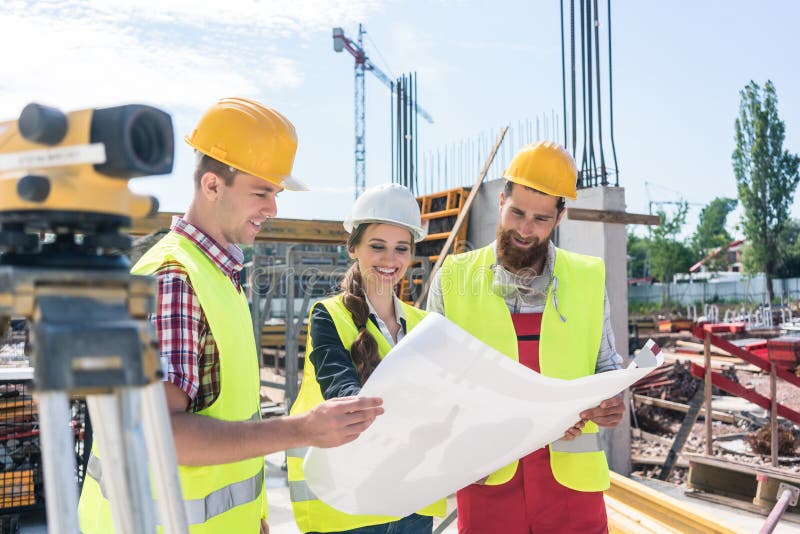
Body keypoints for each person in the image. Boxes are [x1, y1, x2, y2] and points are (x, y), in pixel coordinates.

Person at [78, 97, 384, 534]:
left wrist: (253, 513)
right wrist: (302, 430)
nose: (273, 208)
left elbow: (229, 415)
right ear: (212, 185)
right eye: (261, 192)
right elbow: (161, 433)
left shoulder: (219, 275)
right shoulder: (173, 279)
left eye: (275, 193)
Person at [426, 141, 625, 533]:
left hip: (571, 488)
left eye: (540, 219)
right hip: (488, 478)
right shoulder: (453, 278)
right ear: (501, 200)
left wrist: (610, 404)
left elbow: (607, 367)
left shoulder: (586, 278)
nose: (524, 229)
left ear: (559, 217)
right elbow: (431, 382)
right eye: (516, 212)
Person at [288, 183, 447, 534]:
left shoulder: (423, 325)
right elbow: (344, 395)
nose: (390, 260)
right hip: (347, 508)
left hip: (409, 504)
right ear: (353, 248)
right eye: (377, 246)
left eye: (400, 249)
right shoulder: (327, 315)